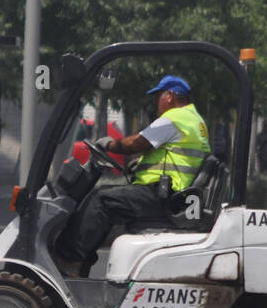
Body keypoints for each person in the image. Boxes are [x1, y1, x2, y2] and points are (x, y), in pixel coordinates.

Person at [54, 75, 211, 276]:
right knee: (110, 203)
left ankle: (68, 259)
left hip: (163, 196)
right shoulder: (195, 119)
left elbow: (135, 143)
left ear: (170, 96)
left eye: (159, 97)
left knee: (101, 200)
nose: (157, 103)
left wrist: (107, 145)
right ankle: (81, 262)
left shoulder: (175, 118)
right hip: (173, 195)